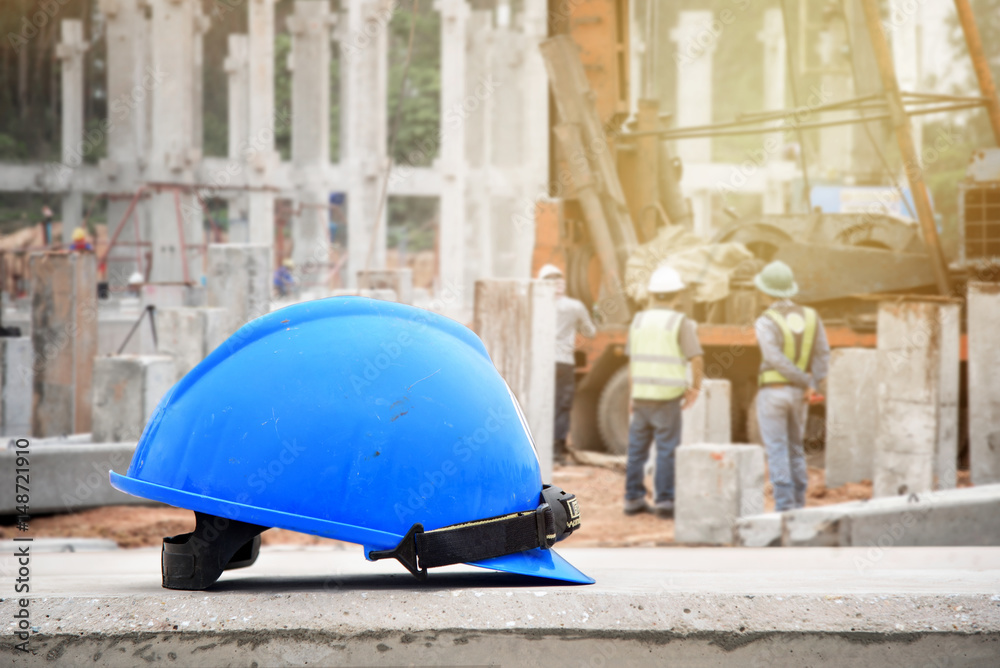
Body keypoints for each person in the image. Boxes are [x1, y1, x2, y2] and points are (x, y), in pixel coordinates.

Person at [624, 266, 703, 518]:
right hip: (667, 398)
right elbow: (696, 357)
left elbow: (632, 362)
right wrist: (696, 387)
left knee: (636, 451)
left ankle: (633, 499)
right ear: (677, 295)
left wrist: (630, 395)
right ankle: (666, 502)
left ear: (652, 294)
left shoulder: (638, 321)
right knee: (666, 450)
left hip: (642, 395)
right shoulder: (680, 322)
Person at [753, 260, 830, 512]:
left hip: (773, 393)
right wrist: (812, 383)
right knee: (796, 449)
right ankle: (799, 504)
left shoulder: (765, 321)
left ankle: (784, 508)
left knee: (777, 450)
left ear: (766, 291)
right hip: (800, 395)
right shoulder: (811, 316)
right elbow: (822, 354)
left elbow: (774, 357)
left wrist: (804, 380)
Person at [538, 264, 596, 465]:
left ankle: (538, 446)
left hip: (541, 363)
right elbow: (590, 332)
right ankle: (557, 451)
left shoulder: (536, 305)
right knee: (562, 405)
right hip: (564, 362)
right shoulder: (574, 306)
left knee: (542, 403)